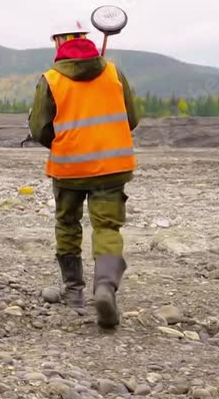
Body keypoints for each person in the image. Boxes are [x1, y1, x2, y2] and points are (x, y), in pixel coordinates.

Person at [28, 21, 139, 329]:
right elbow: (131, 118)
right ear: (84, 38)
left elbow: (39, 129)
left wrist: (67, 140)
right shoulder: (114, 72)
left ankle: (73, 290)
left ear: (59, 41)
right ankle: (104, 288)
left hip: (69, 167)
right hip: (112, 166)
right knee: (107, 228)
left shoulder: (50, 80)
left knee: (67, 223)